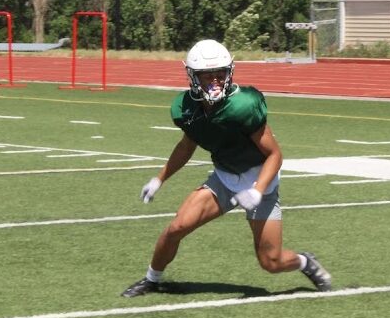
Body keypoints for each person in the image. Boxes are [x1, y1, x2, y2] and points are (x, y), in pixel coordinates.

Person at [121, 39, 332, 297]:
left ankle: (305, 262)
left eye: (220, 74)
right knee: (176, 228)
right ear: (192, 76)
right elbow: (187, 146)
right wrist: (159, 179)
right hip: (224, 179)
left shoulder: (243, 105)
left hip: (260, 180)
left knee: (271, 262)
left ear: (229, 72)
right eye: (207, 75)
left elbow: (275, 155)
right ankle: (151, 280)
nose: (215, 81)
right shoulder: (185, 107)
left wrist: (258, 190)